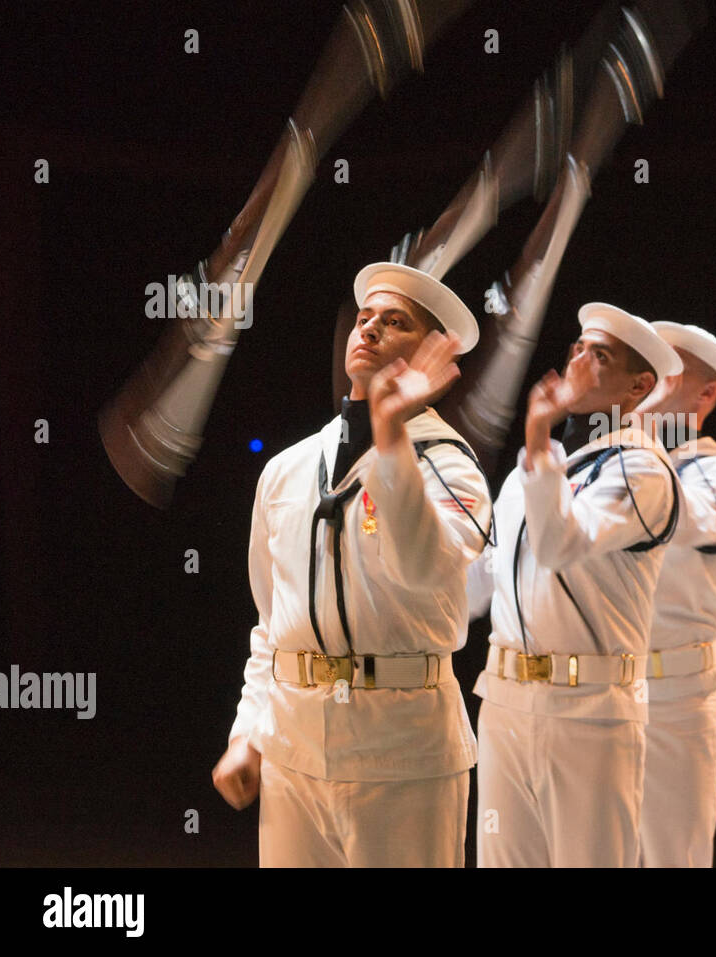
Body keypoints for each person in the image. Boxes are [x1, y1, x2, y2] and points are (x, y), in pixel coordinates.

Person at [212, 261, 493, 867]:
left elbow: (423, 564)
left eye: (394, 323)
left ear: (432, 357)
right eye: (364, 319)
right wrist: (247, 734)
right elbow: (271, 625)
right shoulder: (286, 469)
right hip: (292, 748)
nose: (367, 330)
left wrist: (391, 436)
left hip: (403, 753)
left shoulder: (451, 464)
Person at [473, 302, 682, 867]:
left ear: (638, 387)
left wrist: (537, 429)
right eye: (577, 347)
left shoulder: (644, 471)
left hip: (589, 710)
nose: (578, 360)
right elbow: (483, 583)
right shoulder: (543, 462)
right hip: (505, 700)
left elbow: (559, 544)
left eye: (600, 356)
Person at [633, 320, 716, 867]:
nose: (654, 377)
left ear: (706, 394)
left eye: (672, 369)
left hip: (677, 693)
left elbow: (671, 520)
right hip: (606, 685)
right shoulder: (622, 457)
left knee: (671, 852)